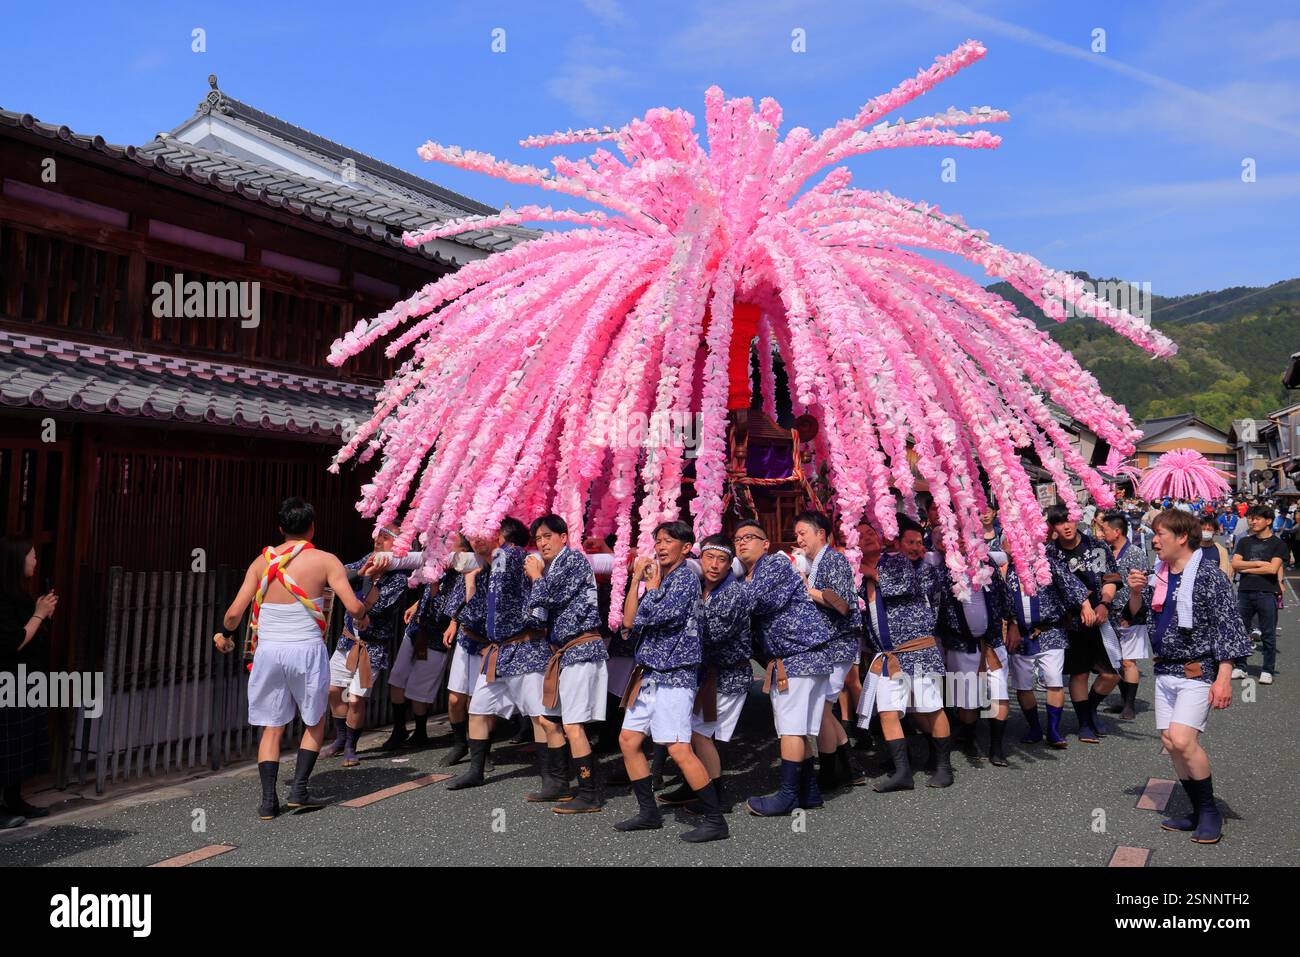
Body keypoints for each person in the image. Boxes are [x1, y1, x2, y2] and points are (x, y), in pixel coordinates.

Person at [214, 497, 370, 819]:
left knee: (272, 726)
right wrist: (364, 617)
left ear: (281, 528)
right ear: (312, 528)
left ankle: (269, 801)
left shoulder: (261, 563)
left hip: (268, 651)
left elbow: (233, 615)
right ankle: (299, 790)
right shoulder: (326, 561)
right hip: (306, 650)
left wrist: (225, 636)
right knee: (313, 721)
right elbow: (353, 608)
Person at [1124, 509, 1251, 844]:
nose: (1153, 539)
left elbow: (1228, 629)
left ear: (1181, 537)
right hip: (1165, 669)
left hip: (1198, 669)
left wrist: (1224, 677)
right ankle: (1197, 809)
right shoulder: (1158, 575)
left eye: (1160, 533)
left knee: (1182, 740)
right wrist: (1136, 592)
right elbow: (1138, 618)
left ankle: (1209, 811)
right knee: (1170, 743)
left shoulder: (1210, 576)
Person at [617, 521, 727, 842]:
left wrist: (648, 590)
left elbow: (651, 615)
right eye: (658, 541)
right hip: (650, 674)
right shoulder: (661, 579)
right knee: (628, 741)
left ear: (686, 546)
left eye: (668, 541)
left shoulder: (686, 580)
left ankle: (715, 819)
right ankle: (649, 813)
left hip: (676, 675)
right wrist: (637, 577)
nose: (661, 547)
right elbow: (627, 620)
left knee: (680, 748)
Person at [447, 518, 561, 794]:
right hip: (498, 651)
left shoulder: (514, 556)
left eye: (484, 532)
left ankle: (551, 777)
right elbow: (475, 605)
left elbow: (457, 560)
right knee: (479, 710)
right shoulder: (490, 567)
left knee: (539, 715)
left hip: (526, 648)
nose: (476, 539)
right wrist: (457, 618)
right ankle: (476, 771)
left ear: (502, 536)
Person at [734, 519, 835, 813]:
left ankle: (788, 795)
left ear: (765, 545)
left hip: (799, 656)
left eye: (749, 537)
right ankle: (809, 792)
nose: (741, 542)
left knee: (790, 729)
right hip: (804, 657)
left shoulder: (773, 566)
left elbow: (751, 603)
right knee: (798, 728)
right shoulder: (750, 577)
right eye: (737, 538)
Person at [655, 533, 752, 814]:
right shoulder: (698, 586)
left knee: (699, 733)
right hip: (707, 674)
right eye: (709, 557)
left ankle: (715, 796)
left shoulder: (733, 593)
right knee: (691, 730)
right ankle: (696, 786)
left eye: (722, 560)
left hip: (727, 675)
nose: (714, 565)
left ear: (729, 564)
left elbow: (710, 636)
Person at [857, 515, 953, 791]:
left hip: (918, 650)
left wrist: (866, 569)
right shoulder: (859, 574)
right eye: (860, 536)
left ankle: (944, 767)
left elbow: (904, 586)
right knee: (888, 712)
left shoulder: (899, 561)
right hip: (888, 656)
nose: (867, 538)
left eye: (871, 533)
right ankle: (903, 772)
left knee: (931, 709)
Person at [527, 514, 609, 815]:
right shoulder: (553, 566)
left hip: (581, 649)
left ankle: (589, 793)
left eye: (548, 536)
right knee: (549, 719)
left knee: (573, 725)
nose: (542, 543)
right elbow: (534, 615)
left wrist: (536, 577)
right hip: (563, 653)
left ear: (564, 536)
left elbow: (545, 599)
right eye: (538, 539)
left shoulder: (572, 560)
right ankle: (560, 782)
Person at [324, 524, 411, 768]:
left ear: (398, 545)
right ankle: (341, 738)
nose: (378, 541)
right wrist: (361, 573)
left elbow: (372, 607)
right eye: (378, 537)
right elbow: (340, 576)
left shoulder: (399, 579)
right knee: (333, 689)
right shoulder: (369, 559)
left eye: (386, 538)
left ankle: (352, 745)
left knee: (356, 698)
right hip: (347, 639)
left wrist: (365, 578)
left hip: (372, 646)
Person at [793, 511, 866, 792]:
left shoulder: (832, 559)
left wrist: (806, 588)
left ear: (820, 534)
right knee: (823, 709)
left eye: (803, 534)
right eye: (797, 535)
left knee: (820, 709)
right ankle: (848, 767)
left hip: (838, 645)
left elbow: (843, 603)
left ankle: (831, 770)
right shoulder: (818, 561)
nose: (798, 540)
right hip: (831, 646)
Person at [1003, 532, 1090, 749]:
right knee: (1022, 685)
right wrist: (1011, 623)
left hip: (1050, 631)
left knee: (1053, 680)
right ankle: (1034, 727)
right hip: (1020, 633)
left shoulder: (1047, 564)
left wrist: (1086, 606)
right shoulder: (1005, 570)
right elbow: (1000, 600)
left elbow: (1072, 586)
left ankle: (1053, 729)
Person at [1046, 505, 1122, 744]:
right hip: (1070, 623)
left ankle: (1090, 708)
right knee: (1078, 675)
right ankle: (1085, 723)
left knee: (1112, 673)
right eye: (1059, 523)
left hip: (1100, 619)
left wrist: (1104, 604)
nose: (1066, 526)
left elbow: (1110, 579)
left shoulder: (1096, 546)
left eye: (1069, 520)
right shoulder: (1050, 553)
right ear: (1053, 527)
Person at [934, 543, 1012, 766]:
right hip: (960, 644)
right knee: (966, 699)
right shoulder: (945, 568)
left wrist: (1012, 621)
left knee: (999, 692)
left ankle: (996, 748)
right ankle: (968, 738)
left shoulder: (987, 562)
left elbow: (1004, 596)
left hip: (992, 642)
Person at [0, 538, 57, 827]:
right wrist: (39, 614)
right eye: (32, 556)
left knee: (20, 743)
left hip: (27, 680)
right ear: (17, 560)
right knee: (6, 745)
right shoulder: (2, 597)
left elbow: (33, 633)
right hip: (7, 680)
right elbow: (12, 642)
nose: (35, 561)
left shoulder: (20, 594)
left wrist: (42, 613)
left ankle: (14, 799)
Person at [1098, 510, 1152, 721]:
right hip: (1109, 614)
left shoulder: (1135, 553)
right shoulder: (1106, 551)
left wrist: (1131, 611)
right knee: (1117, 660)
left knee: (1129, 661)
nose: (1102, 534)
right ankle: (1122, 700)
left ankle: (1130, 705)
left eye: (1105, 530)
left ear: (1117, 531)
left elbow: (1142, 586)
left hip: (1130, 613)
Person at [1231, 504, 1287, 685]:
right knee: (1240, 630)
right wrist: (1258, 564)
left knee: (1268, 633)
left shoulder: (1278, 544)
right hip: (1245, 591)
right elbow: (1235, 564)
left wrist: (1247, 565)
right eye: (1250, 518)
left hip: (1267, 592)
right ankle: (1240, 666)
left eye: (1256, 518)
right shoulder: (1245, 541)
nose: (1252, 521)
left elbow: (1273, 569)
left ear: (1268, 521)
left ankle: (1267, 669)